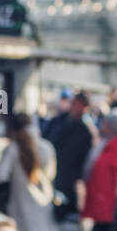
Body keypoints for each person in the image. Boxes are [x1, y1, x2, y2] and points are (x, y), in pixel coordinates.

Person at [0, 113, 59, 231]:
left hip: (21, 208)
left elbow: (0, 175)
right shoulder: (46, 147)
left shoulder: (14, 148)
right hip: (44, 206)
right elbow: (51, 174)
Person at [45, 90, 95, 220]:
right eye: (74, 103)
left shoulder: (87, 130)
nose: (76, 107)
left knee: (69, 215)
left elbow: (88, 160)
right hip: (51, 173)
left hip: (71, 181)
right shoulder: (57, 121)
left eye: (80, 104)